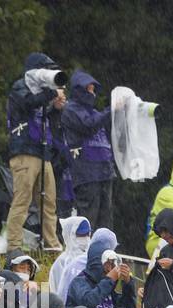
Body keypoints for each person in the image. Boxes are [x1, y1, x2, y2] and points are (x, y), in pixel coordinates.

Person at [5, 52, 65, 251]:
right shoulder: (20, 85)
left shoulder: (43, 93)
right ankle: (14, 244)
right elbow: (27, 103)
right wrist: (51, 95)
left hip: (42, 152)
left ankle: (52, 244)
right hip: (23, 151)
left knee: (49, 201)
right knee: (22, 199)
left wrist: (56, 108)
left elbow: (51, 124)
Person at [61, 71, 115, 231]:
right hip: (87, 172)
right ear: (79, 90)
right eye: (88, 89)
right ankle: (84, 252)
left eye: (93, 89)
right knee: (89, 216)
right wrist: (110, 110)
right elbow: (89, 125)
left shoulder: (96, 112)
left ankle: (106, 251)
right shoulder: (71, 110)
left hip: (105, 171)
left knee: (106, 216)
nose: (92, 93)